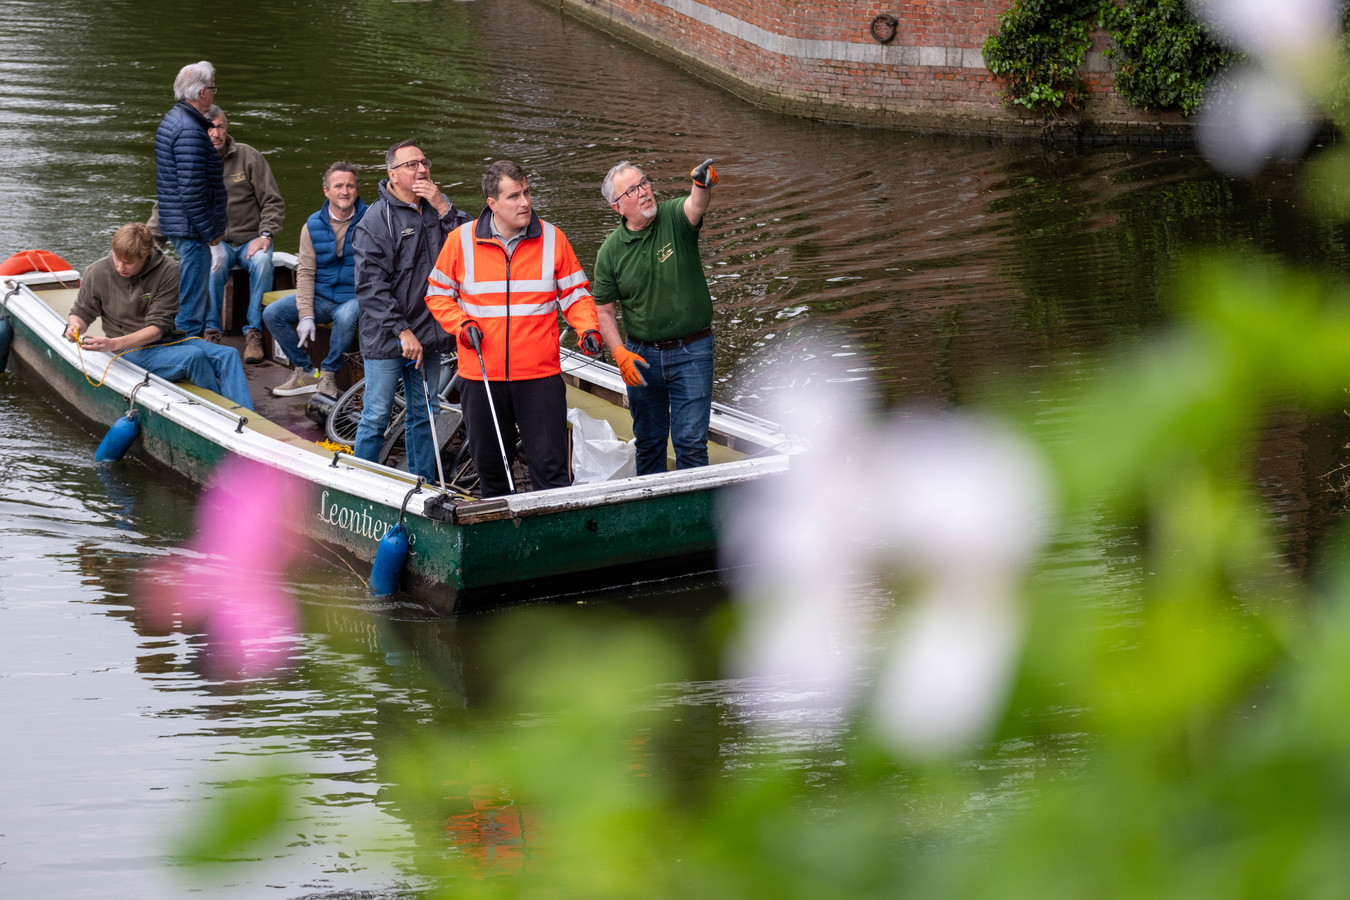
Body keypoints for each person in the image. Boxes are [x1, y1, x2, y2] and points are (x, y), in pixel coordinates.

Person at [426, 160, 604, 498]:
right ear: (492, 203)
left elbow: (576, 295)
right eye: (513, 196)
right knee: (491, 470)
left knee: (550, 469)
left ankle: (552, 537)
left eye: (526, 193)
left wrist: (587, 329)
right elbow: (437, 295)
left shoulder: (553, 239)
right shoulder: (460, 242)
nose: (524, 202)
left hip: (540, 377)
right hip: (482, 377)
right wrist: (462, 325)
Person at [351, 140, 472, 482]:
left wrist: (441, 203)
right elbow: (370, 287)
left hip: (429, 332)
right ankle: (360, 483)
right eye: (411, 165)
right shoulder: (374, 221)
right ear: (392, 174)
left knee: (426, 412)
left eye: (423, 162)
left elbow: (472, 243)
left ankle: (422, 482)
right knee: (376, 413)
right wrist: (401, 331)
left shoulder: (436, 209)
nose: (421, 169)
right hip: (388, 336)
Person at [592, 158, 719, 475]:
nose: (644, 192)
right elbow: (604, 310)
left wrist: (701, 184)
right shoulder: (611, 251)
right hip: (641, 356)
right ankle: (653, 515)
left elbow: (695, 204)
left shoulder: (674, 216)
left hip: (693, 350)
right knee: (648, 444)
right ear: (617, 207)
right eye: (632, 190)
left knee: (690, 444)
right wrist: (619, 352)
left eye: (644, 182)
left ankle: (693, 520)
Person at [63, 224, 254, 411]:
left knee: (228, 355)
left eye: (128, 262)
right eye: (117, 259)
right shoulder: (97, 272)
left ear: (145, 256)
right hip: (127, 350)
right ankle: (224, 417)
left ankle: (248, 420)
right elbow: (81, 313)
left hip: (162, 340)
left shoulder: (168, 270)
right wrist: (75, 327)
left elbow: (158, 328)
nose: (121, 267)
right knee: (193, 357)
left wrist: (112, 343)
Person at [263, 162, 367, 398]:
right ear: (326, 191)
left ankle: (328, 374)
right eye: (338, 185)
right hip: (322, 297)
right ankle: (306, 371)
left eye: (350, 186)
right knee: (272, 313)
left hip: (354, 297)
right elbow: (306, 272)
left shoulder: (372, 220)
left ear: (356, 190)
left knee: (347, 314)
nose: (344, 191)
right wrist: (306, 314)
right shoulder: (312, 226)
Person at [203, 106, 285, 362]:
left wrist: (266, 234)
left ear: (227, 128)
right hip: (217, 240)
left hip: (252, 237)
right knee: (213, 264)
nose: (215, 133)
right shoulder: (194, 161)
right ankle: (211, 330)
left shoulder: (249, 157)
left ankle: (253, 333)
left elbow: (272, 201)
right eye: (209, 127)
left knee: (262, 262)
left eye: (219, 126)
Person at [154, 60, 226, 339]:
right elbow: (192, 192)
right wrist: (213, 239)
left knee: (191, 295)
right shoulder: (190, 131)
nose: (213, 94)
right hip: (192, 229)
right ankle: (187, 352)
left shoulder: (174, 119)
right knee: (193, 303)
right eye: (212, 88)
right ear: (200, 93)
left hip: (182, 224)